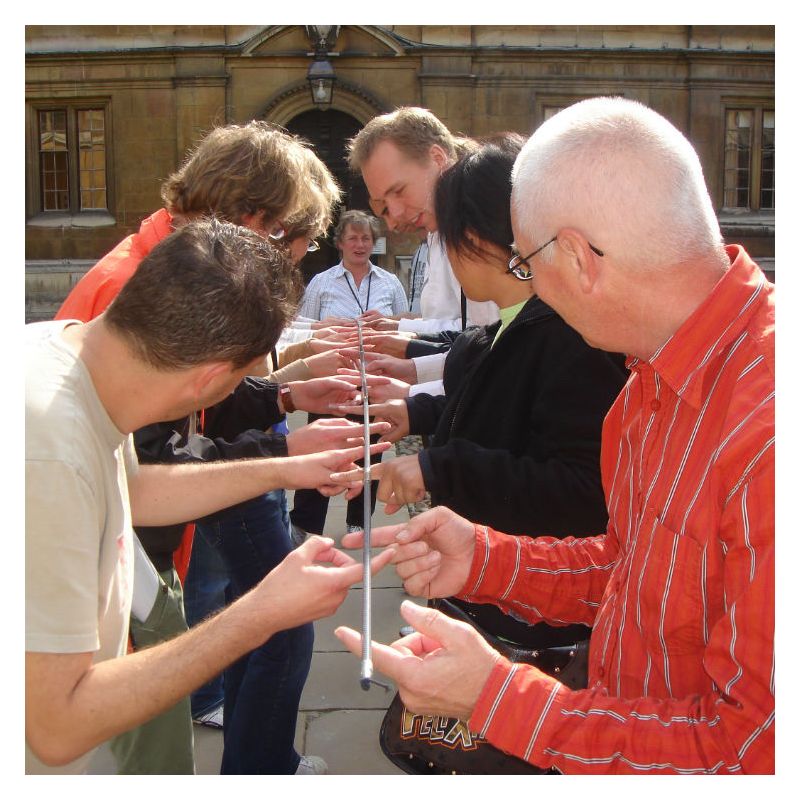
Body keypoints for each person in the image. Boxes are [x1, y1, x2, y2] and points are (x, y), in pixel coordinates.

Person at [334, 97, 775, 774]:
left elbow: (751, 755)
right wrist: (485, 558)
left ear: (576, 255)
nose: (525, 283)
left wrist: (496, 698)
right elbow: (633, 573)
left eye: (527, 261)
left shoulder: (768, 430)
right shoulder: (650, 377)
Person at [25, 218, 394, 775]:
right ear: (209, 380)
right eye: (245, 377)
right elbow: (57, 726)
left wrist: (288, 468)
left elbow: (134, 489)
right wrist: (262, 612)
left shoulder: (74, 352)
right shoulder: (49, 453)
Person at [52, 120, 345, 774]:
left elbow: (142, 467)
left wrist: (290, 430)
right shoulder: (134, 284)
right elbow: (58, 723)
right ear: (254, 219)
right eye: (283, 243)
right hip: (122, 574)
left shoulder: (160, 267)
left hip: (141, 556)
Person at [345, 133, 627, 661]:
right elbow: (496, 403)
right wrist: (416, 413)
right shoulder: (519, 324)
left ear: (479, 237)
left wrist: (440, 469)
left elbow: (583, 488)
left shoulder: (569, 336)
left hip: (538, 620)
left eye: (447, 237)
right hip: (498, 595)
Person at [290, 210, 407, 540]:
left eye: (366, 238)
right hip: (330, 385)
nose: (360, 244)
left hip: (376, 382)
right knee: (321, 449)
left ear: (374, 242)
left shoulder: (389, 282)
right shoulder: (322, 282)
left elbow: (407, 324)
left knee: (371, 450)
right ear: (340, 242)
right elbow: (304, 332)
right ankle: (306, 523)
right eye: (353, 238)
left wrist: (387, 324)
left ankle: (360, 521)